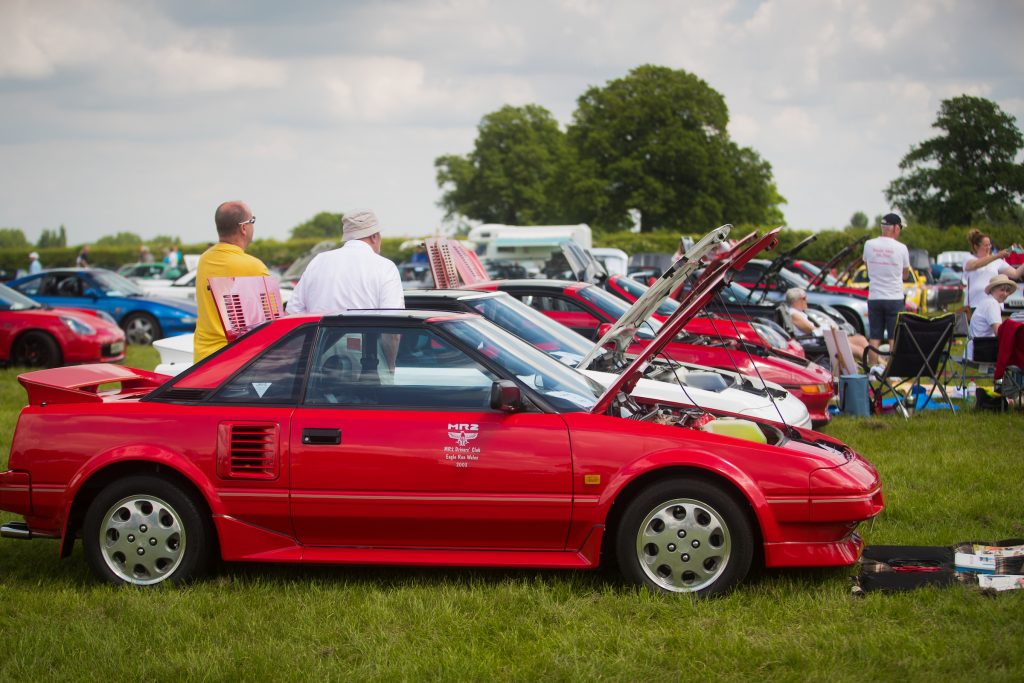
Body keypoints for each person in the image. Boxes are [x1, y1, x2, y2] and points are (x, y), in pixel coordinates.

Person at [288, 209, 404, 315]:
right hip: (367, 338)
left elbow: (292, 312)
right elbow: (393, 324)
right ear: (374, 236)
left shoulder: (318, 261)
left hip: (320, 337)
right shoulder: (386, 267)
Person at [194, 201, 269, 362]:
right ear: (243, 227)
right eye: (252, 221)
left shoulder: (204, 260)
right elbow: (270, 321)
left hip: (203, 360)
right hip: (235, 363)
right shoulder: (254, 267)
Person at [862, 213, 910, 363]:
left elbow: (867, 267)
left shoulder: (869, 245)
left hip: (875, 296)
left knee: (874, 336)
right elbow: (905, 274)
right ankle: (893, 369)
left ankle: (872, 368)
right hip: (894, 297)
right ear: (895, 228)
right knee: (893, 337)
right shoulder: (901, 248)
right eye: (900, 227)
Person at [784, 287, 869, 360]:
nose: (807, 300)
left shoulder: (798, 313)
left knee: (860, 339)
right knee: (858, 350)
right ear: (797, 300)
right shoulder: (794, 314)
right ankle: (873, 368)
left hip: (821, 339)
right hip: (818, 342)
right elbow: (811, 330)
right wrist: (828, 328)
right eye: (804, 298)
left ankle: (878, 364)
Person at [962, 229, 1024, 309]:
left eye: (989, 245)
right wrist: (997, 256)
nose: (988, 248)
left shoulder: (996, 260)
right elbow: (975, 265)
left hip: (993, 305)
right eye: (985, 245)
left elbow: (1015, 274)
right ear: (976, 247)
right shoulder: (968, 258)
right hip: (974, 304)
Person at [968, 275, 1017, 360]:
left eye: (1007, 291)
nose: (1005, 294)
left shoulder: (986, 301)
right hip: (981, 351)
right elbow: (999, 332)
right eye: (1002, 290)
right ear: (992, 289)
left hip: (976, 348)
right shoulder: (992, 304)